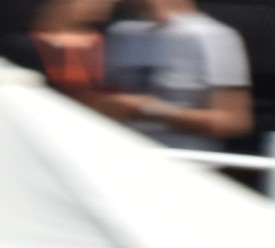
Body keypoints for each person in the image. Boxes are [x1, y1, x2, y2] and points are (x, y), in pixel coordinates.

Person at [103, 0, 250, 148]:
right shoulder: (122, 33)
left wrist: (152, 110)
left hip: (183, 160)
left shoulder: (214, 37)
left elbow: (233, 121)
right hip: (122, 156)